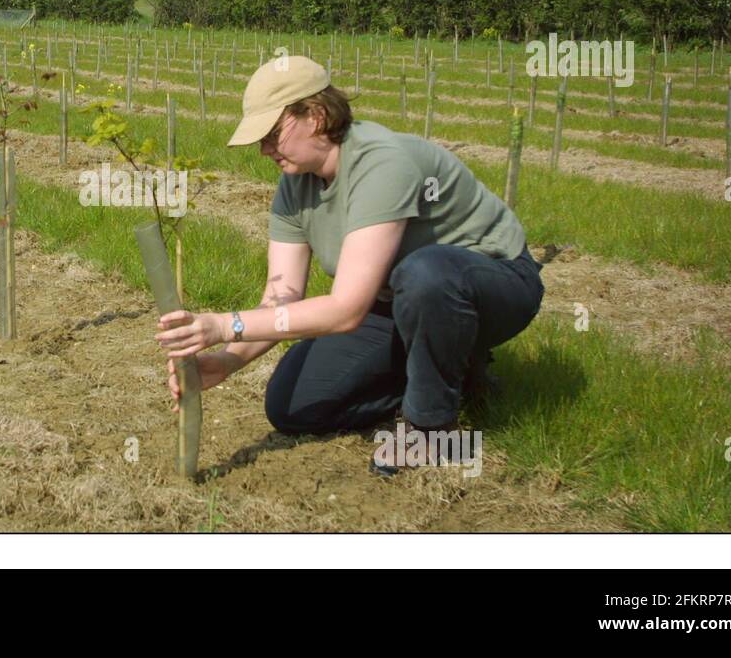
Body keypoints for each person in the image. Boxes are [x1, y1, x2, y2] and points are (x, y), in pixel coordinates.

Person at [155, 55, 545, 475]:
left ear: (317, 115)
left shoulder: (381, 162)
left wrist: (221, 324)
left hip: (490, 284)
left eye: (272, 132)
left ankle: (433, 430)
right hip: (396, 300)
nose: (264, 148)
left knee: (426, 274)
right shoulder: (294, 187)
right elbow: (280, 296)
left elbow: (345, 309)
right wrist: (228, 361)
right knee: (292, 405)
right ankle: (455, 377)